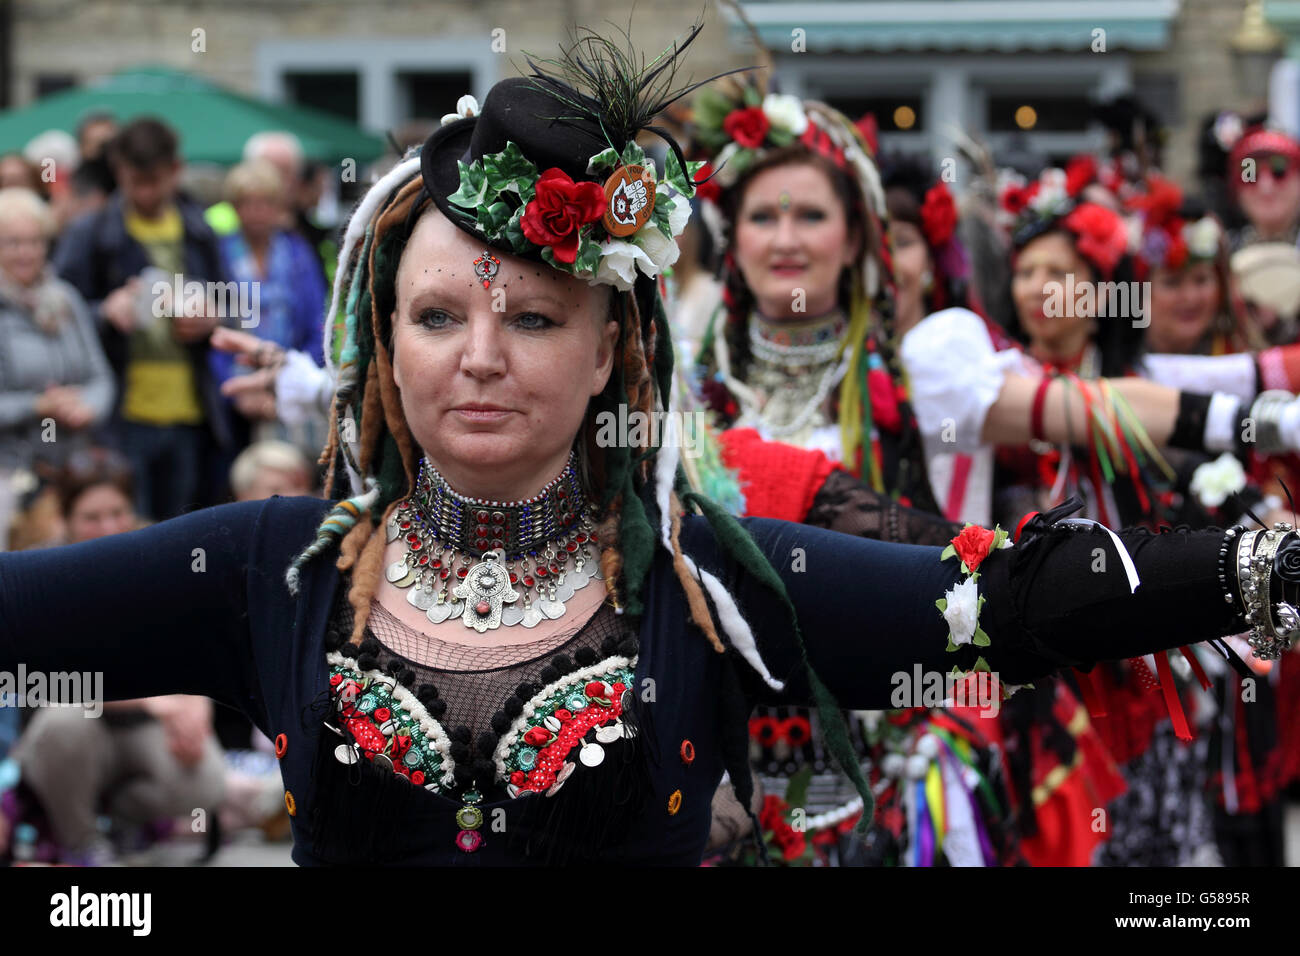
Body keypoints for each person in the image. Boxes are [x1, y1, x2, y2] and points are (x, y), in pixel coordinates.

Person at [0, 29, 1289, 866]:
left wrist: (1257, 569)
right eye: (437, 315)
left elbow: (999, 604)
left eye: (535, 317)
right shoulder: (268, 569)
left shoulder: (710, 582)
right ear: (383, 341)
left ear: (614, 346)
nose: (481, 355)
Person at [4, 450, 224, 865]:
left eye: (117, 512)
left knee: (207, 780)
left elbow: (196, 646)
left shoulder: (162, 562)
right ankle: (81, 842)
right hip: (67, 731)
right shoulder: (37, 574)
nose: (108, 527)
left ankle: (123, 823)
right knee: (65, 723)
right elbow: (44, 681)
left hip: (141, 733)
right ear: (64, 519)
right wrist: (151, 701)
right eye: (92, 517)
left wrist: (197, 707)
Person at [52, 117, 238, 522]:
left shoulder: (200, 230)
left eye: (153, 180)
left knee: (181, 536)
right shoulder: (90, 232)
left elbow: (239, 307)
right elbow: (57, 309)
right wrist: (105, 311)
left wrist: (212, 319)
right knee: (125, 537)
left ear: (175, 170)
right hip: (120, 414)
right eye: (134, 180)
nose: (144, 192)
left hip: (192, 413)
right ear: (118, 171)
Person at [0, 187, 115, 551]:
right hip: (10, 473)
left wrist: (86, 407)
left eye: (35, 241)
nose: (26, 252)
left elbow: (100, 375)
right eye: (13, 242)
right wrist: (39, 406)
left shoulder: (65, 298)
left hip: (71, 473)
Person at [213, 159, 328, 459]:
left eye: (265, 203)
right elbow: (213, 331)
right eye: (246, 203)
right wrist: (233, 386)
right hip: (236, 388)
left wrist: (295, 372)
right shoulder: (219, 254)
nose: (256, 213)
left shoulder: (297, 253)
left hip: (289, 375)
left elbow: (318, 321)